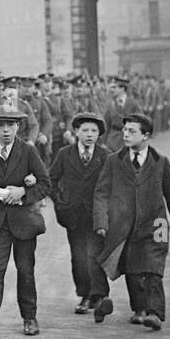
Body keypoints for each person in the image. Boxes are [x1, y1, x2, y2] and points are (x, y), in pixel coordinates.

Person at [93, 114, 170, 330]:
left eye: (132, 131)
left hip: (156, 224)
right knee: (134, 269)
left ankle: (155, 313)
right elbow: (101, 193)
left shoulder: (160, 161)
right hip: (126, 225)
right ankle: (139, 309)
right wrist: (101, 222)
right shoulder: (114, 161)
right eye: (125, 130)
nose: (125, 134)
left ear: (146, 135)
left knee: (154, 266)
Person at [0, 104, 50, 339]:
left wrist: (23, 192)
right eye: (1, 125)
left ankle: (29, 317)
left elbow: (45, 183)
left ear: (18, 127)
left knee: (25, 270)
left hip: (24, 221)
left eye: (10, 125)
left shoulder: (28, 152)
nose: (6, 130)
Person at [49, 112, 112, 319]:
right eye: (85, 130)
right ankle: (84, 294)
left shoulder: (106, 156)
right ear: (76, 132)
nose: (89, 135)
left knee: (95, 255)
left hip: (97, 214)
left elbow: (114, 184)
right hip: (73, 214)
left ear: (99, 135)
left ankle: (100, 296)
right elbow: (52, 179)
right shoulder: (65, 154)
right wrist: (60, 203)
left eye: (94, 131)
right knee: (78, 256)